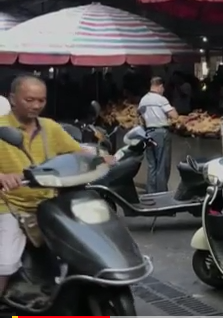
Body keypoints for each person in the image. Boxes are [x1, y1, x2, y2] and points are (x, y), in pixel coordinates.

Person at [0, 75, 115, 298]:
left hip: (50, 202)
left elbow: (76, 151)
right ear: (13, 99)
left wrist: (99, 157)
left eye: (41, 100)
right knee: (5, 260)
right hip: (9, 204)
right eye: (29, 99)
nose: (36, 106)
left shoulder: (50, 127)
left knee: (85, 240)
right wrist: (2, 176)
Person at [138, 77, 179, 194]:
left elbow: (140, 117)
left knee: (152, 165)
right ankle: (161, 193)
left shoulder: (143, 100)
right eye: (163, 88)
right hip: (161, 133)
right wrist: (173, 110)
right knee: (162, 165)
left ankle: (151, 192)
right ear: (160, 86)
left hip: (148, 134)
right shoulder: (161, 100)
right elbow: (174, 116)